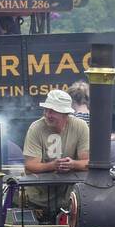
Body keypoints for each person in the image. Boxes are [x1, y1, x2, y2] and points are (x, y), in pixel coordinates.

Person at [21, 89, 90, 220]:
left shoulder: (80, 127)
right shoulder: (35, 128)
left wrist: (73, 164)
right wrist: (53, 165)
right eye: (46, 110)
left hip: (71, 199)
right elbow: (30, 166)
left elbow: (87, 163)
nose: (48, 114)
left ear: (65, 114)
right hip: (39, 200)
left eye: (52, 111)